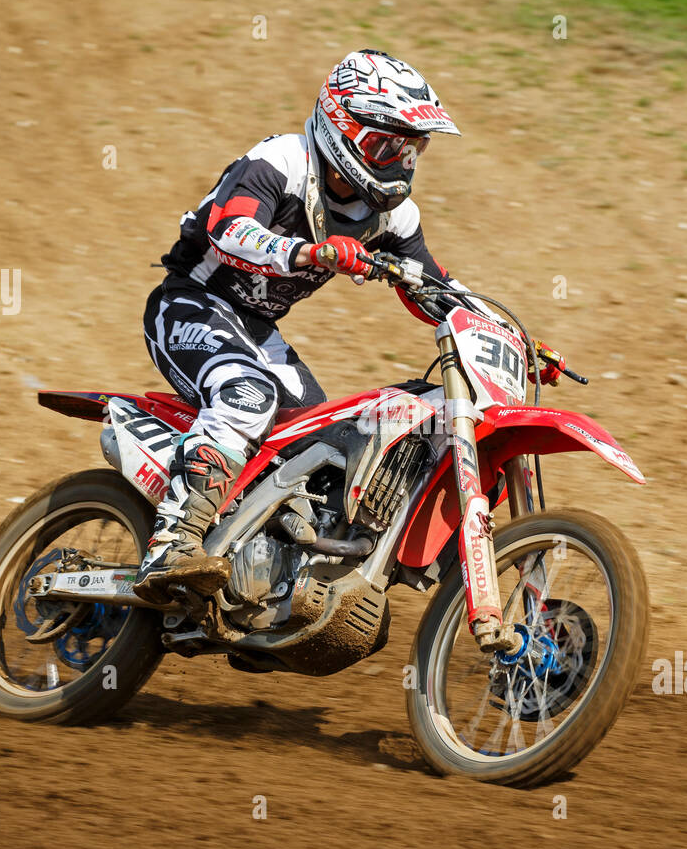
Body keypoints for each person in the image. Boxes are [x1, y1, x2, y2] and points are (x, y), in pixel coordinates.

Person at [133, 50, 474, 603]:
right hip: (192, 302)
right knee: (247, 396)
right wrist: (309, 252)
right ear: (345, 127)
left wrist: (509, 336)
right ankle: (172, 543)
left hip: (257, 330)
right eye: (389, 146)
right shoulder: (282, 160)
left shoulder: (390, 216)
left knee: (324, 446)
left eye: (412, 150)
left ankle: (264, 584)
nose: (401, 164)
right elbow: (230, 228)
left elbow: (434, 289)